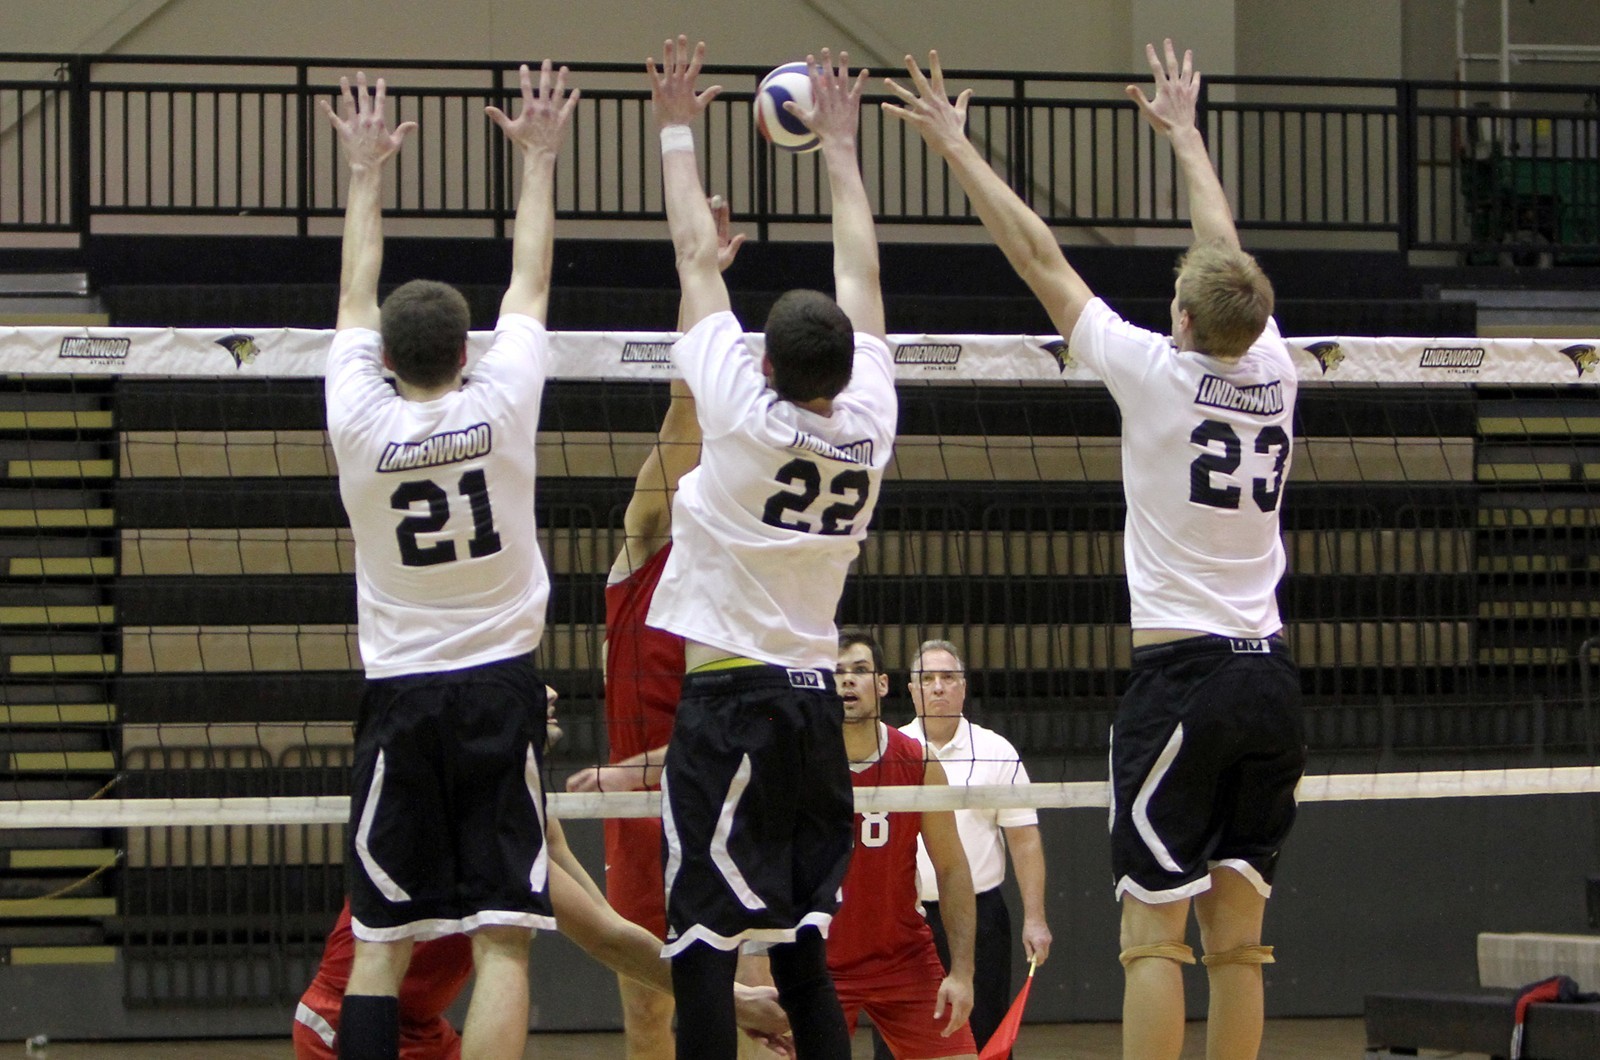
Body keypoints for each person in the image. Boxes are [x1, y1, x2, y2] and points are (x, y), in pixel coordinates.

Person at [884, 41, 1306, 1060]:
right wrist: (1186, 137)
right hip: (1272, 680)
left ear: (1184, 318)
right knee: (1238, 944)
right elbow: (1227, 254)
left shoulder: (1153, 370)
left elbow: (1038, 258)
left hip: (1184, 681)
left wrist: (956, 146)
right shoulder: (1278, 367)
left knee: (1150, 938)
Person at [644, 36, 898, 1060]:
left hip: (731, 701)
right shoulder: (871, 425)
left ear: (761, 359)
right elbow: (864, 277)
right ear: (845, 361)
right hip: (809, 706)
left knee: (701, 943)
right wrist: (842, 148)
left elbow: (694, 264)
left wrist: (675, 128)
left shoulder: (741, 416)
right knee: (800, 946)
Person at [320, 61, 575, 1060]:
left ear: (387, 358)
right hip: (498, 690)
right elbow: (531, 279)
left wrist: (365, 171)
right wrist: (540, 160)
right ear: (467, 351)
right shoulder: (503, 398)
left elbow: (352, 293)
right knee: (504, 938)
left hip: (400, 696)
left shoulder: (354, 413)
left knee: (380, 942)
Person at [295, 697, 793, 1059]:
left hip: (425, 1030)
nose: (552, 695)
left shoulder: (531, 814)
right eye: (527, 687)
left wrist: (734, 999)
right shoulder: (477, 818)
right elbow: (607, 941)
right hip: (346, 1024)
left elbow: (609, 926)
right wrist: (731, 1004)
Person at [564, 195, 744, 1060]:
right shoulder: (646, 547)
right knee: (647, 1006)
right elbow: (682, 406)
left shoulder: (749, 566)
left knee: (751, 995)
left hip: (719, 794)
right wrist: (697, 267)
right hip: (638, 811)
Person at [888, 641, 1050, 1059]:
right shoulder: (891, 752)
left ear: (963, 687)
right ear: (911, 690)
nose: (938, 687)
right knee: (900, 1040)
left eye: (948, 678)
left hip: (980, 919)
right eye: (928, 679)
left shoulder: (998, 752)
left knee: (982, 1035)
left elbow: (1025, 838)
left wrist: (1035, 919)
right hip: (906, 921)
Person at [833, 631, 977, 1060]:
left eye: (859, 671)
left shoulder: (919, 760)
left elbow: (952, 869)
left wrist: (962, 972)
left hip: (902, 957)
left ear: (881, 684)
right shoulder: (801, 764)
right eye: (836, 673)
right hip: (816, 961)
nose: (847, 681)